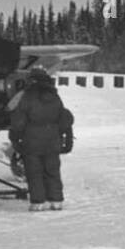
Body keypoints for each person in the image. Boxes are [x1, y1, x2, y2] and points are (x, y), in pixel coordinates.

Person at [9, 68, 75, 211]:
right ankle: (56, 200)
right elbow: (63, 119)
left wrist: (14, 138)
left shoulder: (27, 97)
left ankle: (38, 202)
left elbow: (18, 122)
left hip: (31, 141)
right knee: (52, 170)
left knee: (34, 172)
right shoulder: (55, 97)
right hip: (52, 140)